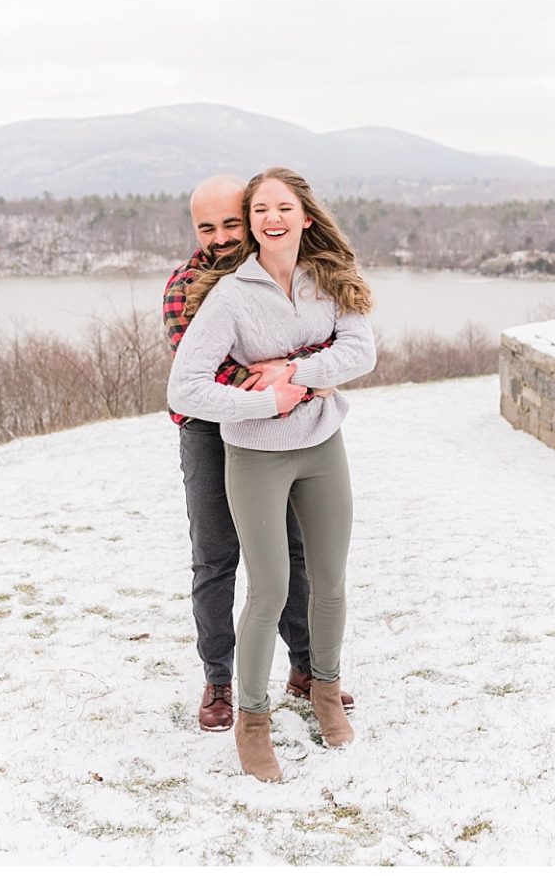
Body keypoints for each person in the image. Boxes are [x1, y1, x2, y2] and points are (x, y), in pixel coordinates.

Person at [168, 167, 376, 781]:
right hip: (243, 446)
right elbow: (189, 384)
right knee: (255, 580)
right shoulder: (220, 292)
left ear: (305, 217)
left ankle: (320, 687)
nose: (269, 219)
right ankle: (245, 713)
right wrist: (270, 398)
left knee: (327, 578)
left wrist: (297, 372)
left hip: (320, 443)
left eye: (280, 208)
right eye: (259, 211)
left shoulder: (329, 277)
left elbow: (359, 350)